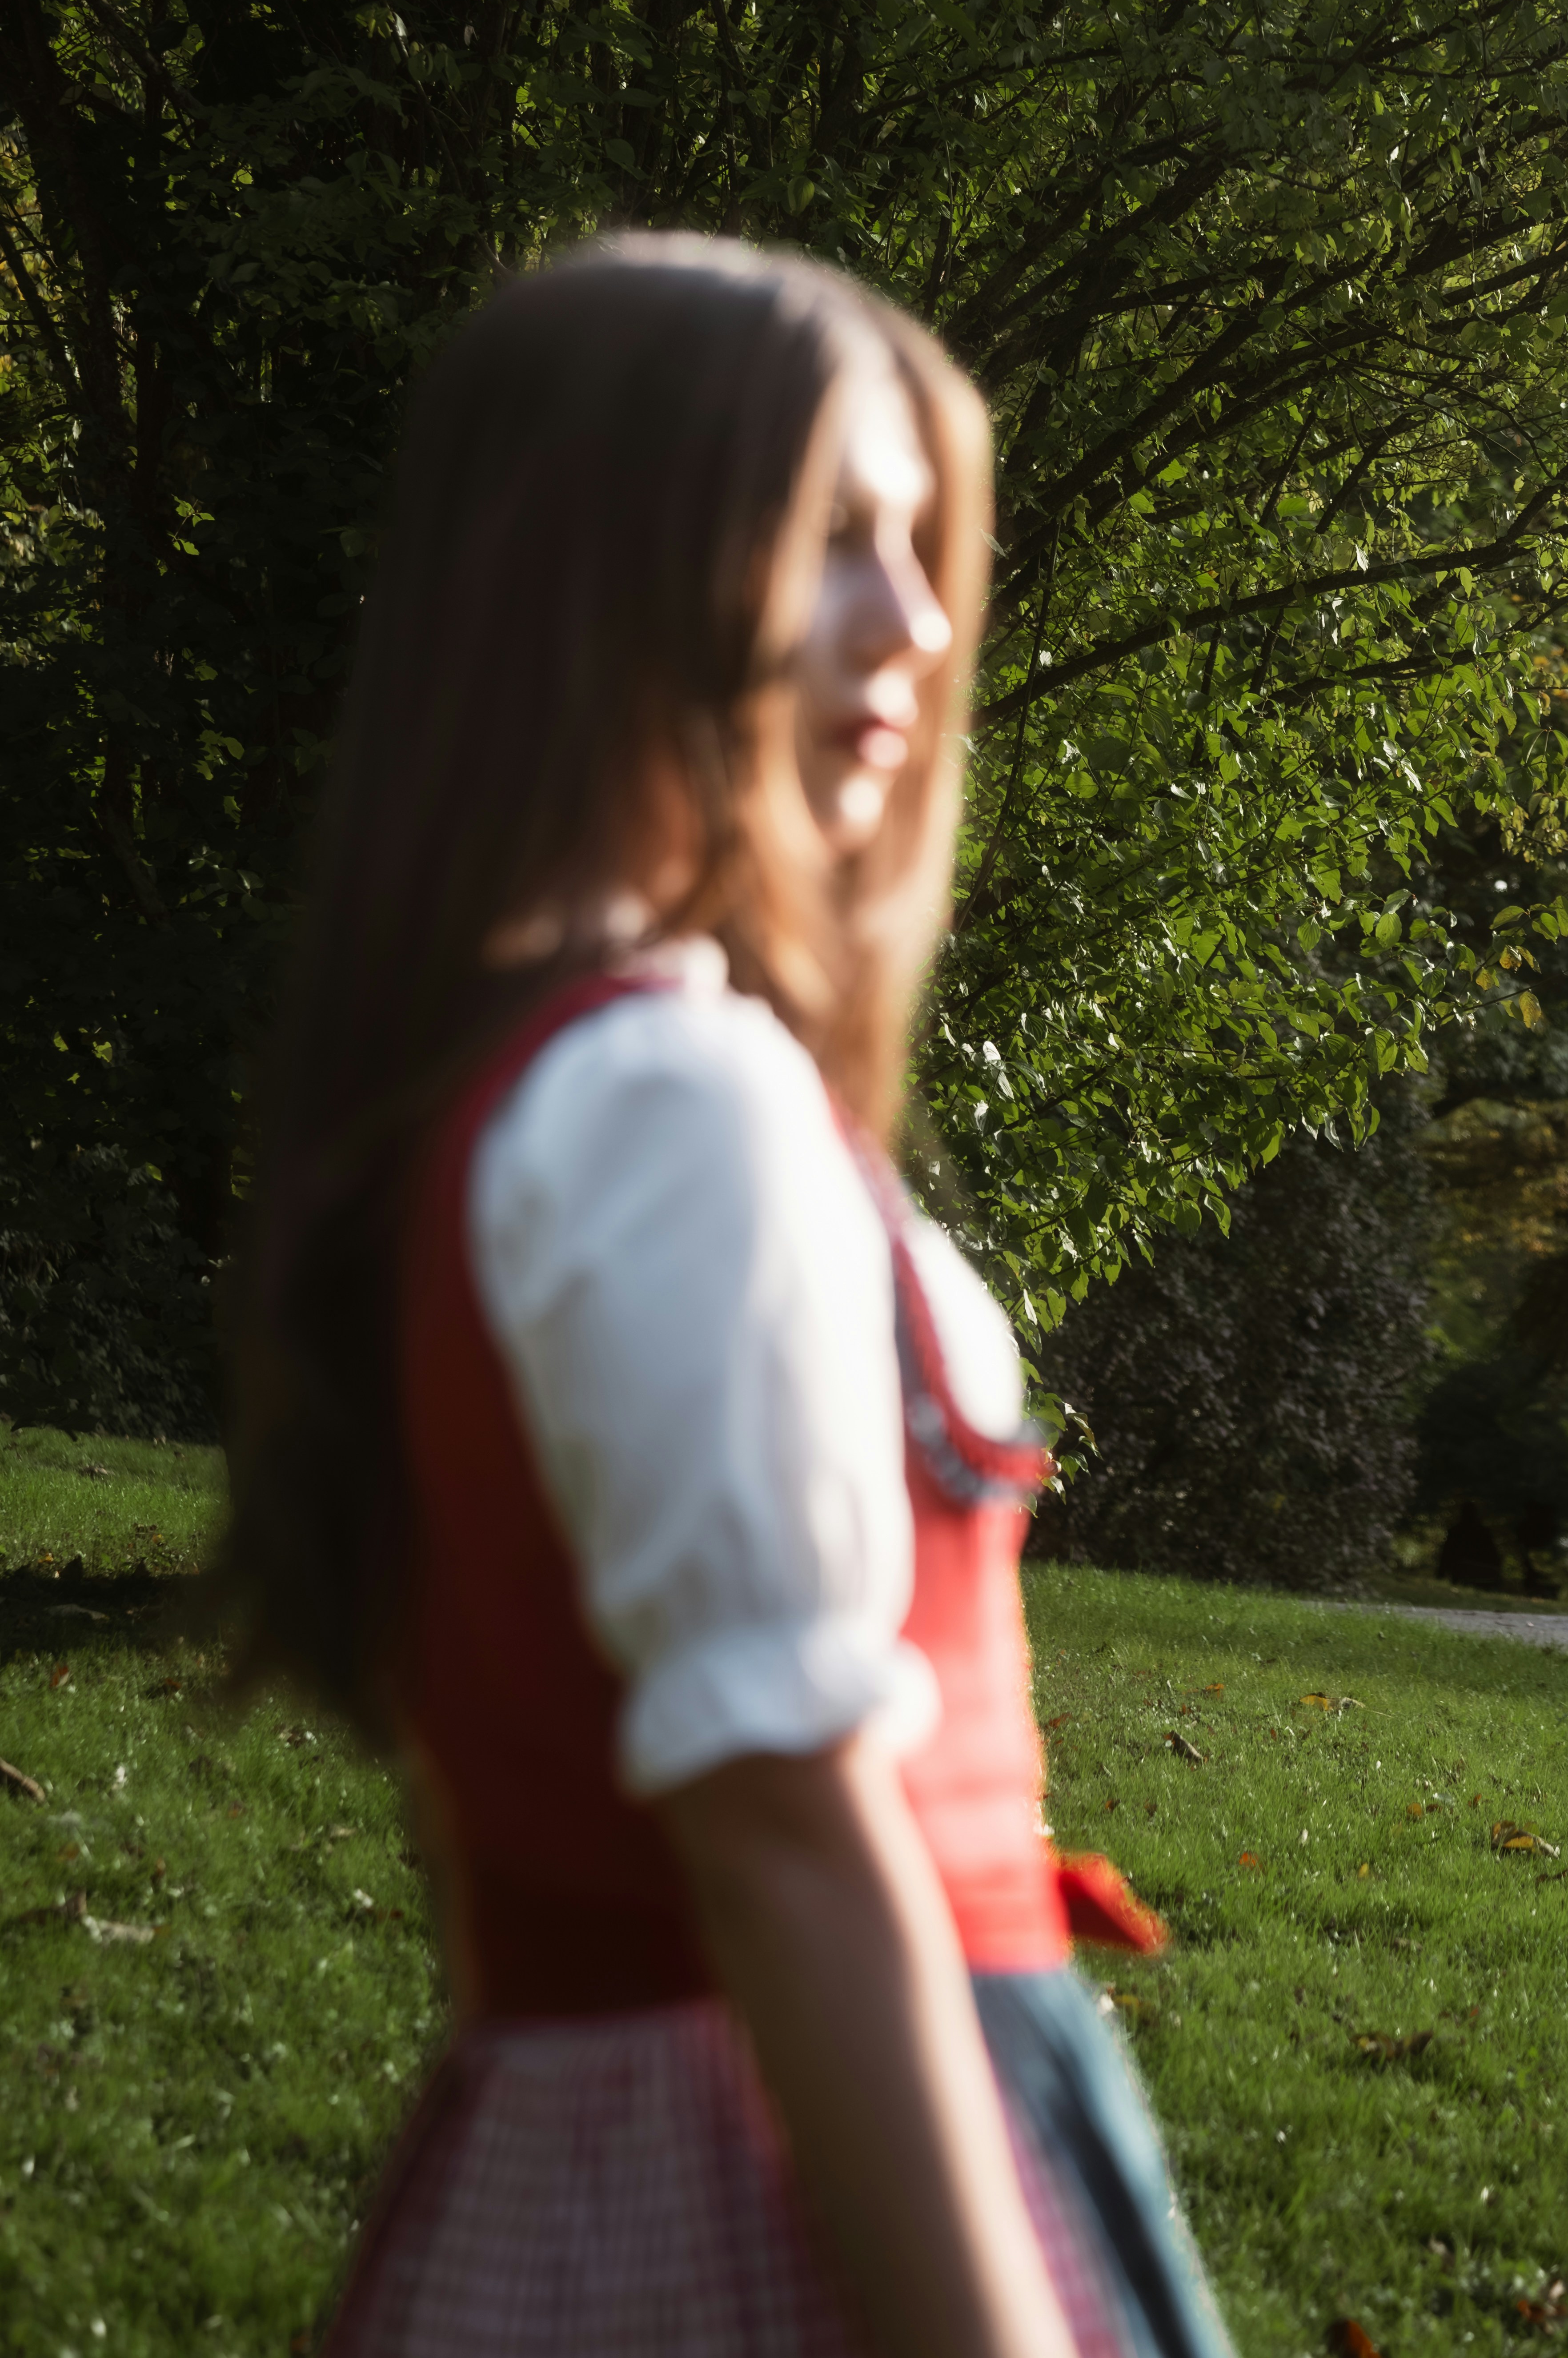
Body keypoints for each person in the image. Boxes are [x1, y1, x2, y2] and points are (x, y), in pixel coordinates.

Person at [224, 236, 1235, 2358]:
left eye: (921, 543)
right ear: (609, 570)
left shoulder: (532, 1073)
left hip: (621, 2137)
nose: (926, 622)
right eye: (839, 538)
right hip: (786, 2161)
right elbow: (787, 1818)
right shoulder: (666, 1096)